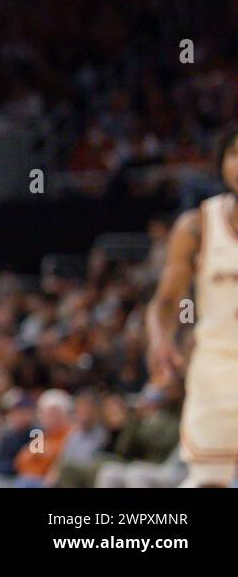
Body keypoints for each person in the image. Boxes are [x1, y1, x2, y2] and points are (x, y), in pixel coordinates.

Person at [146, 127, 238, 486]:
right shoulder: (196, 225)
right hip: (216, 369)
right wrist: (160, 339)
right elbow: (167, 302)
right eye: (233, 154)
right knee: (208, 480)